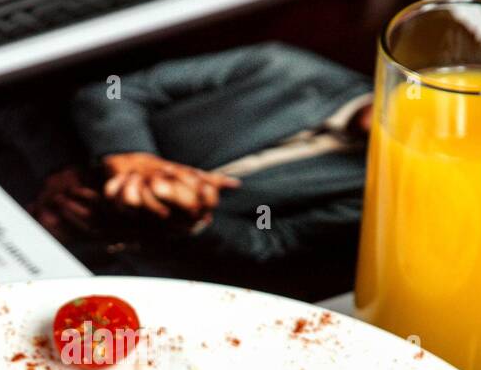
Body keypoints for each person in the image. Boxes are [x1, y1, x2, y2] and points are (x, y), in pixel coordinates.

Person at [33, 41, 372, 271]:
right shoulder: (282, 67)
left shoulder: (376, 195)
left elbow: (272, 244)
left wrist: (194, 220)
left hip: (127, 260)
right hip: (51, 174)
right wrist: (132, 158)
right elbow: (114, 92)